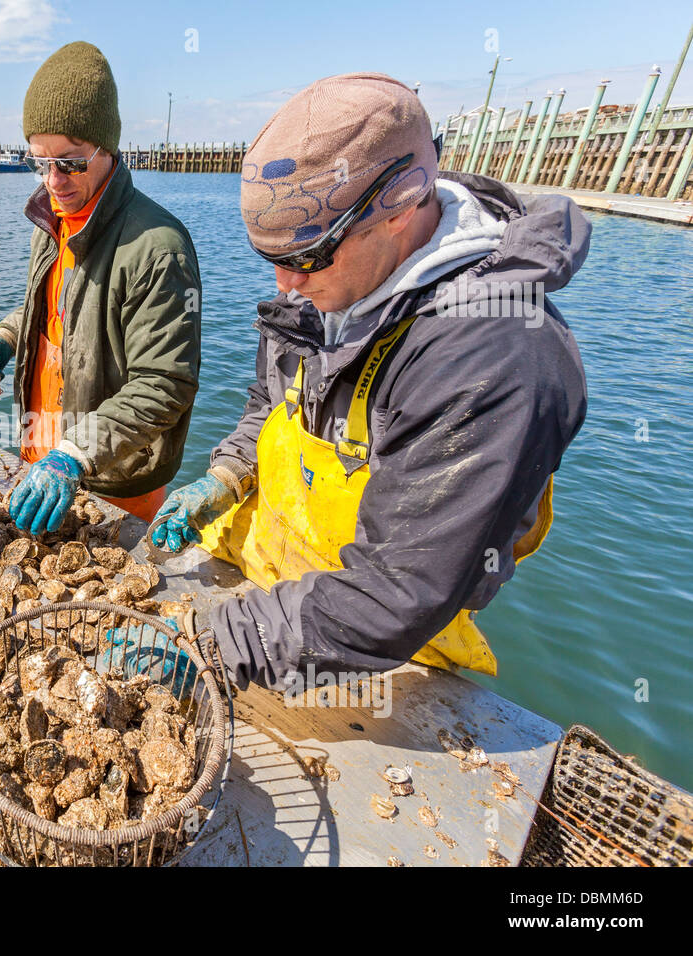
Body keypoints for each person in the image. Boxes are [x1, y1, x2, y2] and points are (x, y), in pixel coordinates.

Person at [152, 73, 588, 691]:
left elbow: (401, 588)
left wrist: (219, 644)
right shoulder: (323, 285)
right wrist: (224, 477)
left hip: (375, 654)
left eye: (305, 258)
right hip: (264, 580)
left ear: (403, 206)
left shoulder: (499, 358)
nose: (285, 284)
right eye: (272, 259)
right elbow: (270, 406)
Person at [0, 41, 201, 534]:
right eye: (40, 162)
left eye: (70, 162)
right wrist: (7, 339)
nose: (54, 180)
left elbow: (164, 384)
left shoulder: (158, 246)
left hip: (115, 480)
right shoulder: (51, 223)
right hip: (42, 452)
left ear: (106, 148)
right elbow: (56, 308)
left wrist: (73, 457)